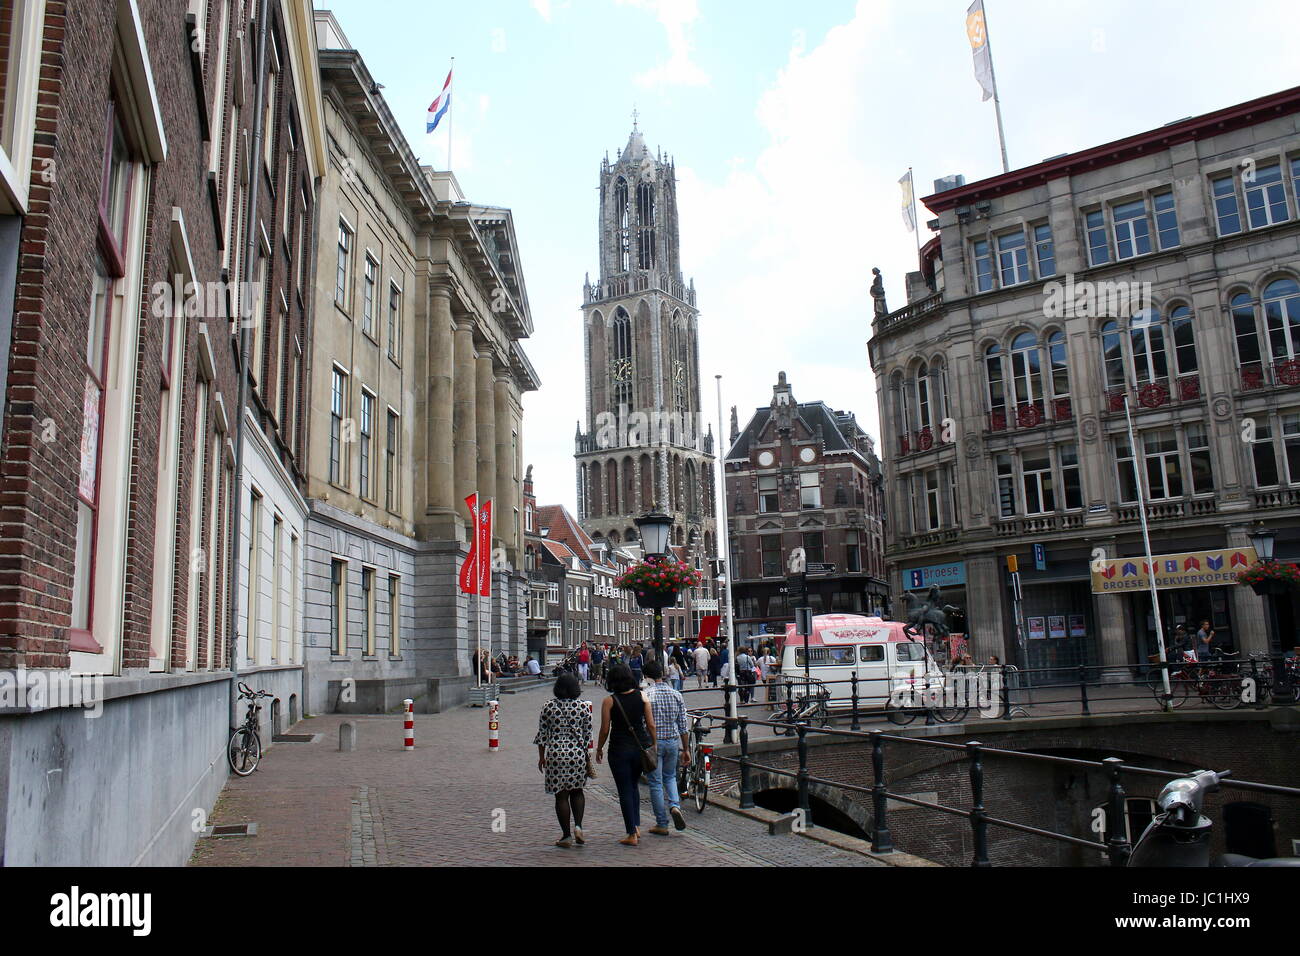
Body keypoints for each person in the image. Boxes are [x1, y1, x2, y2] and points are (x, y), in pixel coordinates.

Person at [596, 663, 656, 846]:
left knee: (624, 790)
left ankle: (631, 833)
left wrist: (599, 748)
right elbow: (650, 724)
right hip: (640, 748)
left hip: (619, 749)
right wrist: (654, 743)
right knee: (633, 786)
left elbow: (605, 729)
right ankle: (636, 825)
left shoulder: (609, 701)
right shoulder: (642, 696)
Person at [534, 673, 593, 848]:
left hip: (556, 755)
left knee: (561, 796)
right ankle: (579, 826)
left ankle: (566, 836)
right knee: (577, 792)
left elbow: (542, 736)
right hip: (577, 755)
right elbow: (588, 734)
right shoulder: (583, 707)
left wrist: (541, 757)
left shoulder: (549, 707)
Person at [642, 661, 690, 835]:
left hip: (654, 743)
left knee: (655, 782)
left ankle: (662, 823)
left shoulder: (646, 695)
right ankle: (675, 806)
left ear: (646, 676)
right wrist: (686, 749)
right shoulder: (676, 694)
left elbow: (643, 723)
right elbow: (683, 725)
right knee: (670, 777)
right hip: (672, 741)